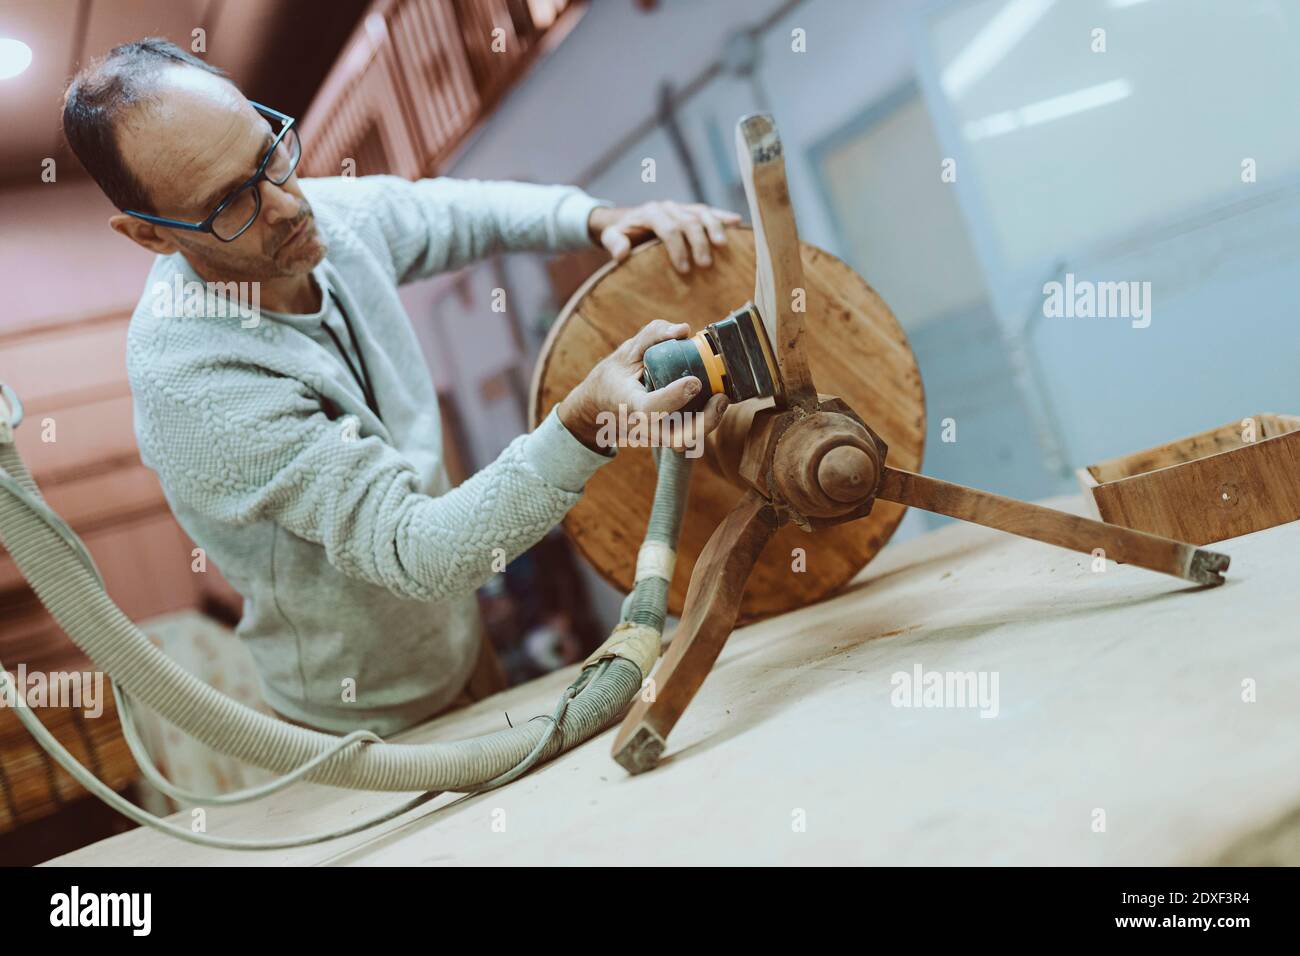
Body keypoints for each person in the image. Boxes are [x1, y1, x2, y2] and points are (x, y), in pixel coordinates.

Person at [61, 38, 734, 735]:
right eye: (231, 202)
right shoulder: (192, 380)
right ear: (150, 235)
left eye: (269, 153)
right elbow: (419, 551)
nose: (287, 205)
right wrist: (584, 423)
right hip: (360, 720)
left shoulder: (317, 214)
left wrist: (593, 218)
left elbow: (452, 213)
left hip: (463, 649)